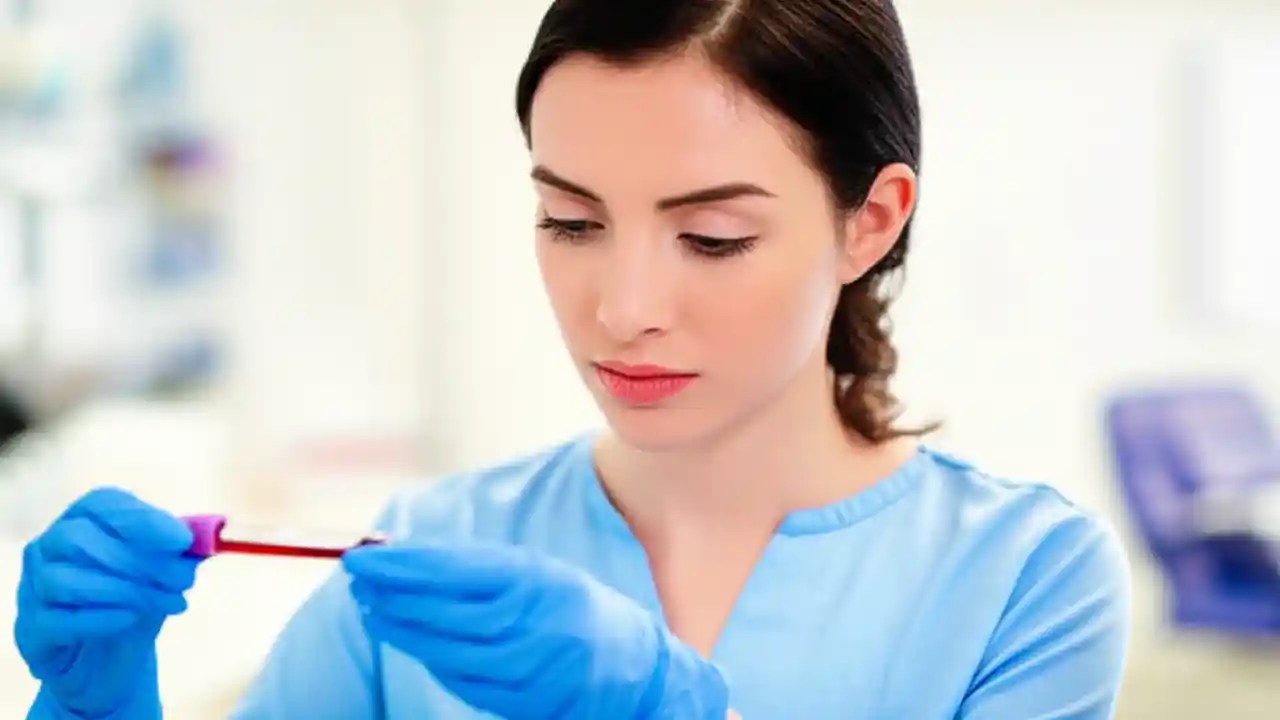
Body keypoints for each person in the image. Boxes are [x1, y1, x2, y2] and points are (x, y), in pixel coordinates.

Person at [13, 0, 1132, 718]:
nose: (623, 310)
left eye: (712, 237)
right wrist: (94, 705)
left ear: (869, 222)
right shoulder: (424, 551)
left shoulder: (1022, 580)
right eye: (571, 222)